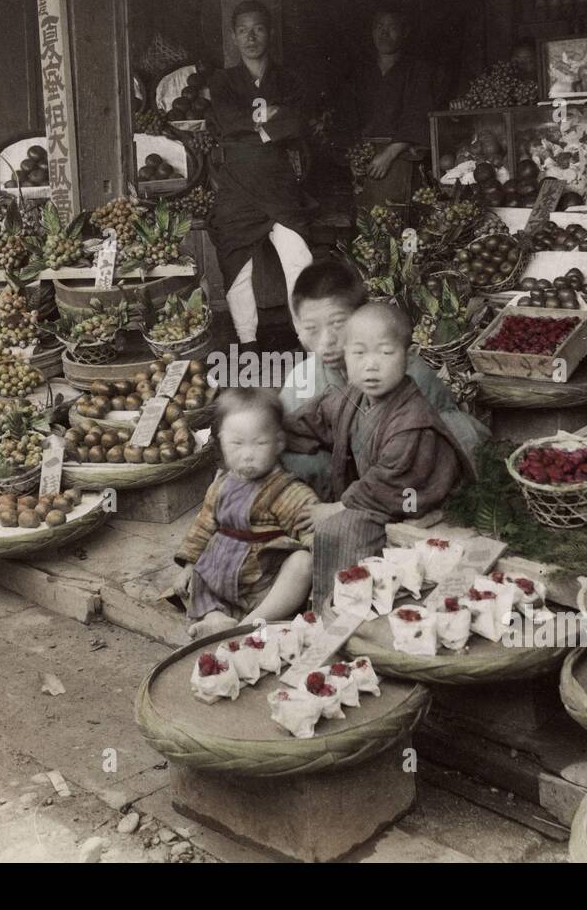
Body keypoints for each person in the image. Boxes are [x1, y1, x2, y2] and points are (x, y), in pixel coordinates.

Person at [284, 304, 477, 608]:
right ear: (345, 356)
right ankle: (321, 600)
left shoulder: (412, 420)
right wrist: (272, 433)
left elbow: (391, 478)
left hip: (411, 498)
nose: (370, 366)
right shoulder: (352, 396)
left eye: (385, 353)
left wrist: (339, 506)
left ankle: (342, 610)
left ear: (408, 355)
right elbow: (312, 418)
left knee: (342, 527)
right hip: (375, 491)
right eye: (359, 354)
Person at [279, 258, 488, 500]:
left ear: (364, 315)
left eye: (338, 324)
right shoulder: (303, 378)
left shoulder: (409, 371)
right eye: (312, 329)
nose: (326, 341)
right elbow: (278, 436)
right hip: (341, 493)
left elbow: (453, 437)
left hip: (404, 485)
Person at [207, 1, 315, 348]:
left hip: (278, 181)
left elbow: (298, 120)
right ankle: (247, 340)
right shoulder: (223, 80)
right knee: (237, 264)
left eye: (258, 29)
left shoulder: (289, 79)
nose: (251, 37)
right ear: (234, 37)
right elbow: (227, 120)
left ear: (269, 32)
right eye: (243, 30)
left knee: (298, 257)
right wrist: (270, 118)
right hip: (236, 182)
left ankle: (307, 336)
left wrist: (258, 131)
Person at [174, 389, 319, 638]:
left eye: (260, 442)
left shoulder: (287, 490)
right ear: (221, 441)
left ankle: (252, 623)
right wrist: (188, 564)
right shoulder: (221, 482)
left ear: (279, 443)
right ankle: (216, 618)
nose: (248, 453)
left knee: (303, 563)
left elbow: (312, 531)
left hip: (263, 582)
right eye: (237, 443)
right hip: (221, 573)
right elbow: (204, 525)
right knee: (195, 580)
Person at [338, 7, 445, 206]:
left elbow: (419, 114)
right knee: (365, 225)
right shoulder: (359, 72)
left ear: (405, 32)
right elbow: (347, 119)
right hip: (365, 160)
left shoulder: (419, 70)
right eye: (379, 26)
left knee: (397, 220)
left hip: (402, 159)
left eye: (392, 27)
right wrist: (353, 159)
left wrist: (390, 153)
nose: (384, 33)